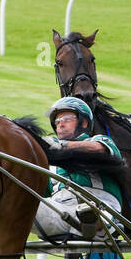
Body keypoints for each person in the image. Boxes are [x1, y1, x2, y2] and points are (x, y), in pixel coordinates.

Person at [32, 96, 124, 242]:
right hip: (60, 212)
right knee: (16, 203)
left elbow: (101, 150)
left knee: (87, 209)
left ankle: (92, 221)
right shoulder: (49, 162)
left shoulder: (99, 141)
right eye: (57, 121)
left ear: (84, 122)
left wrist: (61, 146)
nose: (60, 124)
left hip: (100, 204)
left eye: (67, 118)